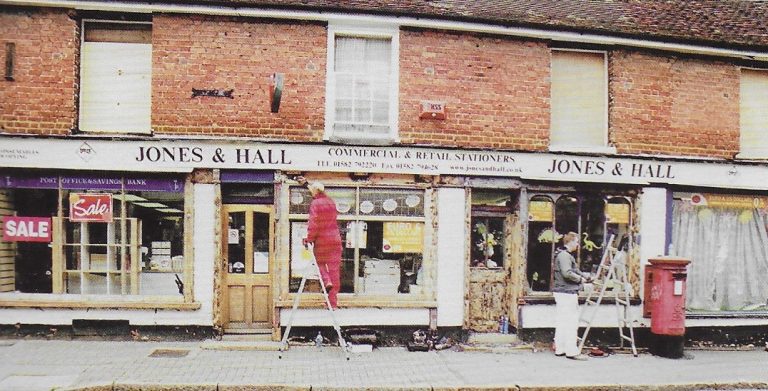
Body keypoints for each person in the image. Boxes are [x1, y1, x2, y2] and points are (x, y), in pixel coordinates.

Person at [298, 177, 342, 309]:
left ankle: (326, 280)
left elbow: (314, 223)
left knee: (320, 263)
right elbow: (316, 191)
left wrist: (309, 239)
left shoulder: (315, 204)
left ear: (315, 191)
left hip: (323, 240)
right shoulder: (331, 202)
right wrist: (306, 184)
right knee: (334, 271)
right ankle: (333, 303)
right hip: (335, 239)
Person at [553, 231, 591, 360]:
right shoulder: (564, 256)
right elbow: (567, 273)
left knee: (562, 321)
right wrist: (581, 280)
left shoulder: (564, 255)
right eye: (576, 242)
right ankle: (571, 351)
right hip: (567, 292)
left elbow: (574, 270)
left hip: (563, 292)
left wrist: (585, 275)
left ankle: (560, 348)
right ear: (570, 242)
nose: (578, 244)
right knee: (571, 322)